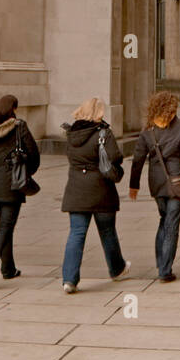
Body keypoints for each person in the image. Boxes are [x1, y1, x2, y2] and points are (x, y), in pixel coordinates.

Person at [129, 90, 180, 282]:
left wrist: (134, 186)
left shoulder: (147, 131)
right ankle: (165, 270)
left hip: (156, 182)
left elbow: (137, 161)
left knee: (164, 219)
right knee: (171, 224)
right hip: (177, 180)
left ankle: (161, 261)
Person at [60, 97, 130, 294]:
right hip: (101, 189)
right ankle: (117, 269)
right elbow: (115, 156)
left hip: (76, 190)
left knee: (76, 233)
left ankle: (69, 279)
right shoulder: (103, 133)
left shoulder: (71, 134)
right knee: (107, 232)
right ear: (98, 113)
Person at [0, 94, 40, 290]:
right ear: (12, 108)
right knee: (6, 226)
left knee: (5, 225)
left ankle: (8, 268)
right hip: (12, 180)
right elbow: (33, 154)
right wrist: (27, 172)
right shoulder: (18, 126)